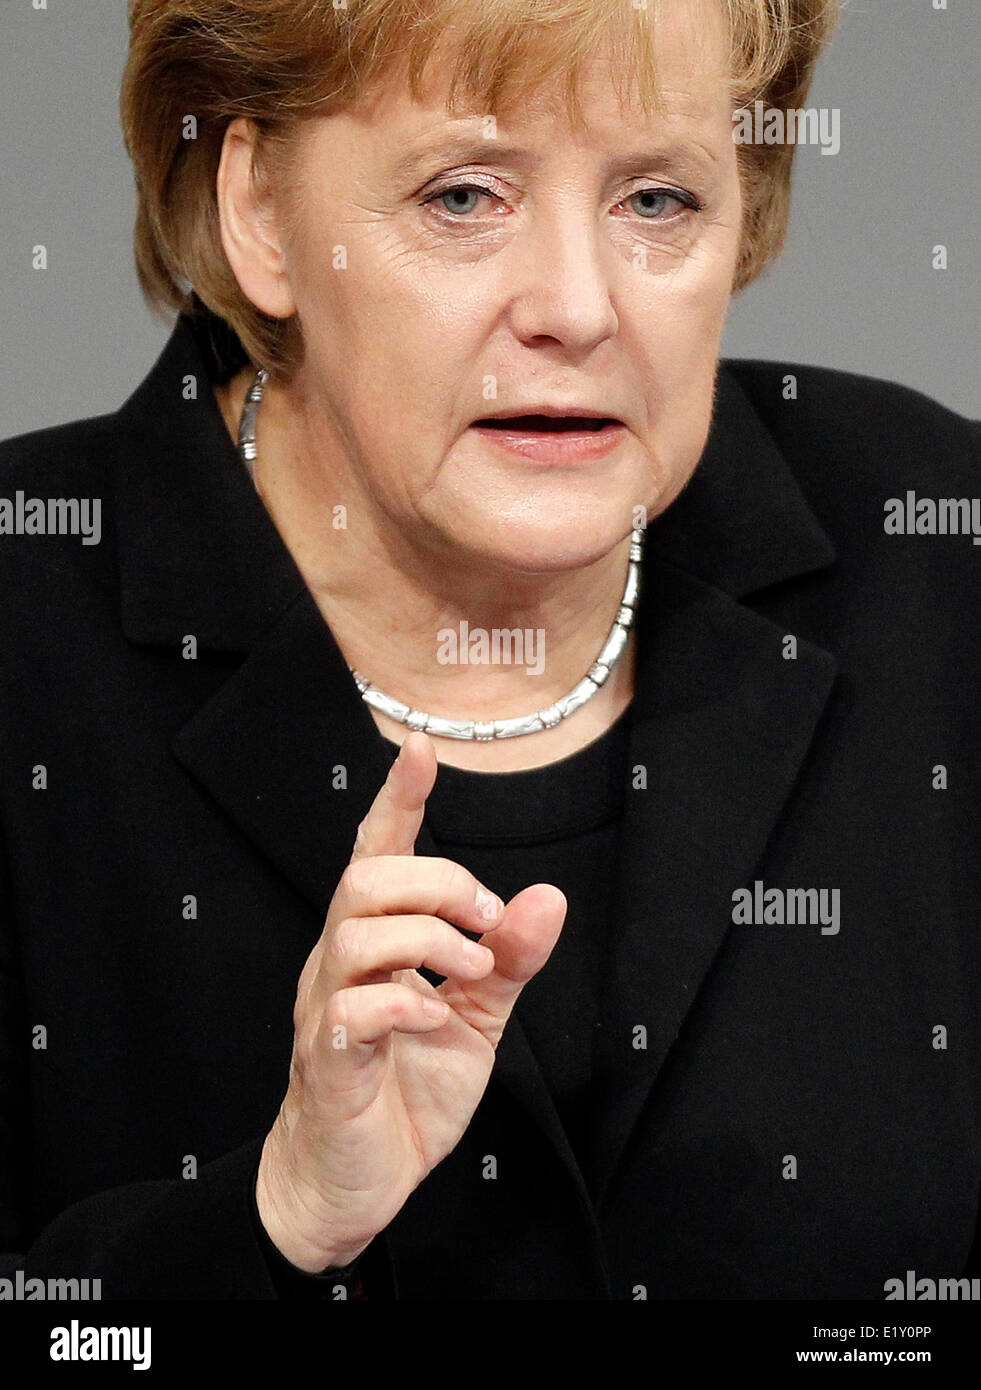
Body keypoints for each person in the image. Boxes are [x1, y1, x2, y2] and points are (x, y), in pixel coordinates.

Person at [0, 0, 978, 1300]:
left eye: (655, 201)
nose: (576, 308)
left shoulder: (928, 548)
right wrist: (275, 1217)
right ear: (259, 212)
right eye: (464, 196)